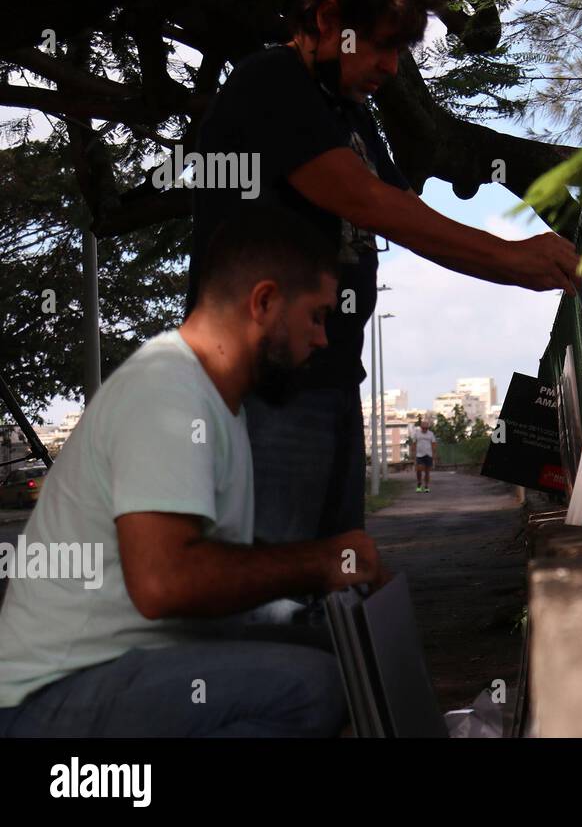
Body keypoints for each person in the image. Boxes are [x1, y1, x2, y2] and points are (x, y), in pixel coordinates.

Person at [185, 0, 582, 548]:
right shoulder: (270, 82)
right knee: (267, 590)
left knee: (332, 587)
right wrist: (512, 259)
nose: (392, 67)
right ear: (328, 22)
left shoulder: (351, 114)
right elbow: (372, 205)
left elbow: (410, 211)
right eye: (381, 45)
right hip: (263, 395)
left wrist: (526, 255)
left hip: (333, 384)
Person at [0, 208, 386, 737]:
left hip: (122, 673)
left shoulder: (221, 403)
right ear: (265, 302)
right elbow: (165, 583)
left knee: (344, 657)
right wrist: (321, 563)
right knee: (311, 688)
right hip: (49, 701)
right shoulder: (169, 391)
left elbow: (215, 573)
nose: (322, 339)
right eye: (317, 316)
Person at [411, 417, 436, 492]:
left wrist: (434, 453)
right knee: (419, 469)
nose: (424, 429)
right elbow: (414, 443)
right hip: (419, 455)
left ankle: (426, 486)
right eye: (423, 428)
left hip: (428, 454)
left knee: (427, 471)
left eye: (426, 428)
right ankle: (419, 483)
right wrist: (413, 452)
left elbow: (433, 444)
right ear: (421, 427)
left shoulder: (431, 434)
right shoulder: (417, 434)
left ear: (427, 428)